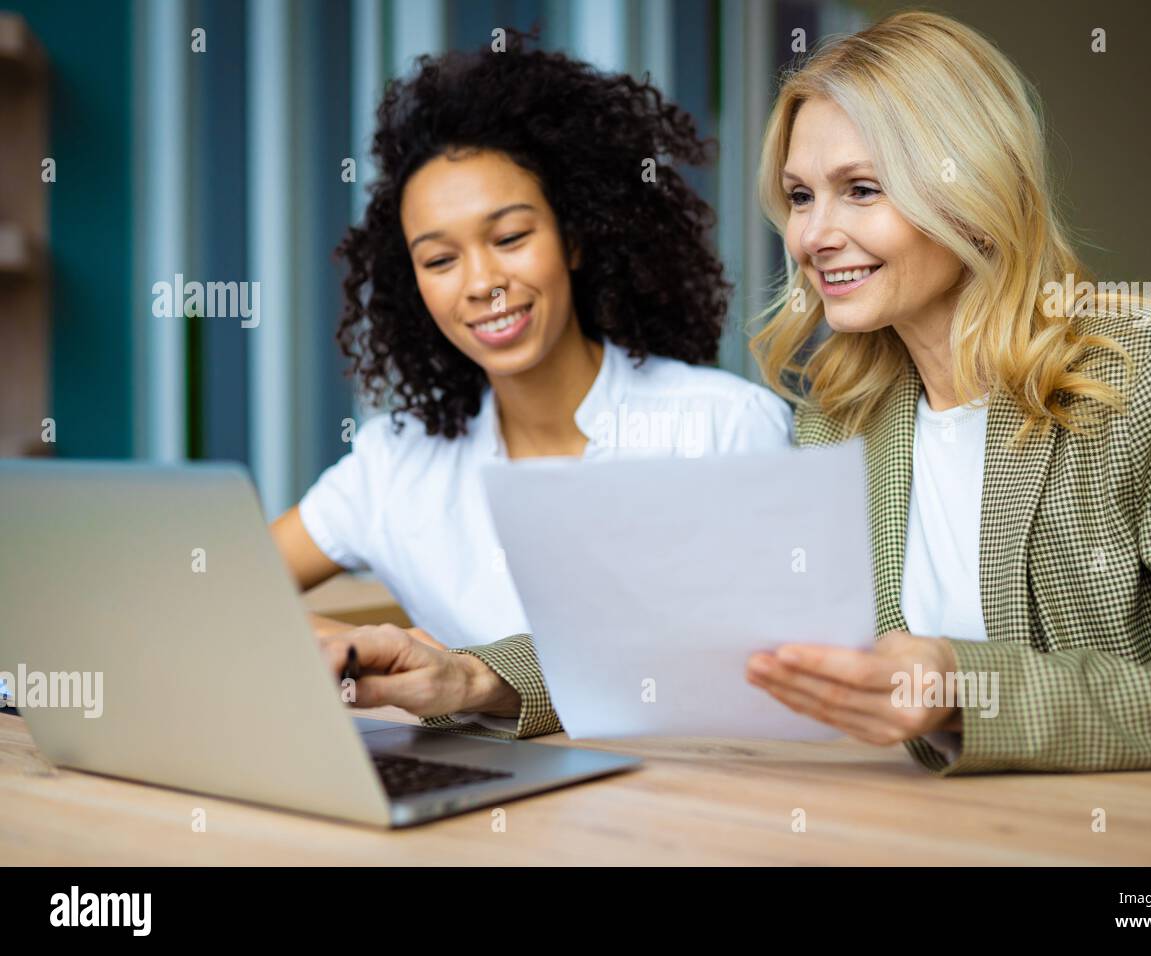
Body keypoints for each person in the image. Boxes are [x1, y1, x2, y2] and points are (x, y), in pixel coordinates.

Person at [742, 11, 1151, 774]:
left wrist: (966, 689)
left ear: (968, 189)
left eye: (862, 189)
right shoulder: (839, 419)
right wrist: (521, 681)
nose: (814, 236)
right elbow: (733, 629)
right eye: (800, 196)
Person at [272, 33, 791, 735]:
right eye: (440, 259)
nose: (483, 282)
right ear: (413, 285)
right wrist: (353, 646)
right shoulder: (395, 462)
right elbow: (211, 583)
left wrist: (470, 672)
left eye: (511, 237)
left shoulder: (725, 427)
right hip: (471, 816)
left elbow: (743, 671)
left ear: (573, 239)